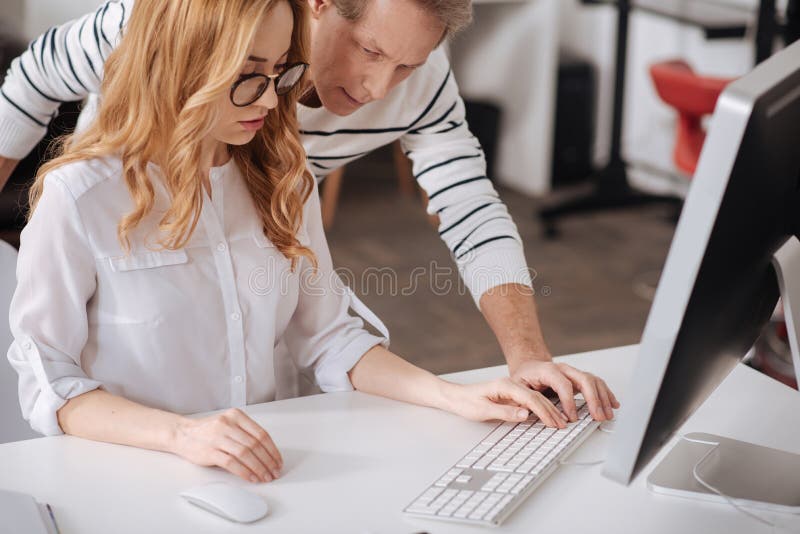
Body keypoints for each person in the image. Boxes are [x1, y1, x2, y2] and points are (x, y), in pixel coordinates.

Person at [7, 0, 615, 486]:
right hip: (131, 460)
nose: (380, 90)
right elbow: (49, 377)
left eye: (281, 75)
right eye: (371, 51)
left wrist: (482, 382)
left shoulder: (283, 176)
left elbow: (331, 331)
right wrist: (180, 435)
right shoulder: (86, 179)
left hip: (260, 455)